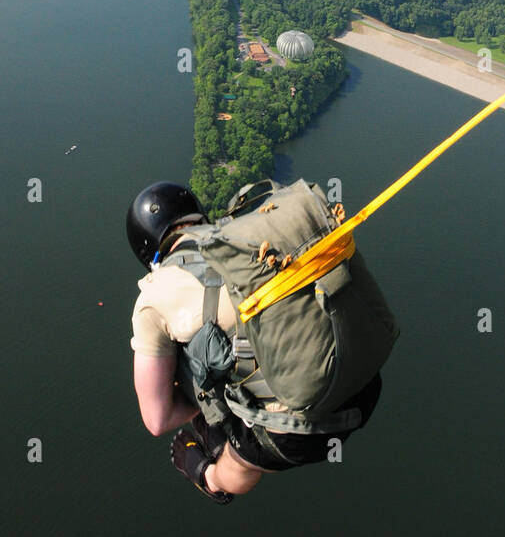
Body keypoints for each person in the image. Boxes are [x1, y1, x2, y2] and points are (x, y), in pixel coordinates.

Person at [128, 181, 383, 504]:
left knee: (233, 466)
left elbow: (157, 419)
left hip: (300, 434)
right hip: (365, 381)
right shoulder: (248, 232)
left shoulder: (152, 298)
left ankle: (209, 476)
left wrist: (206, 399)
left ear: (148, 251)